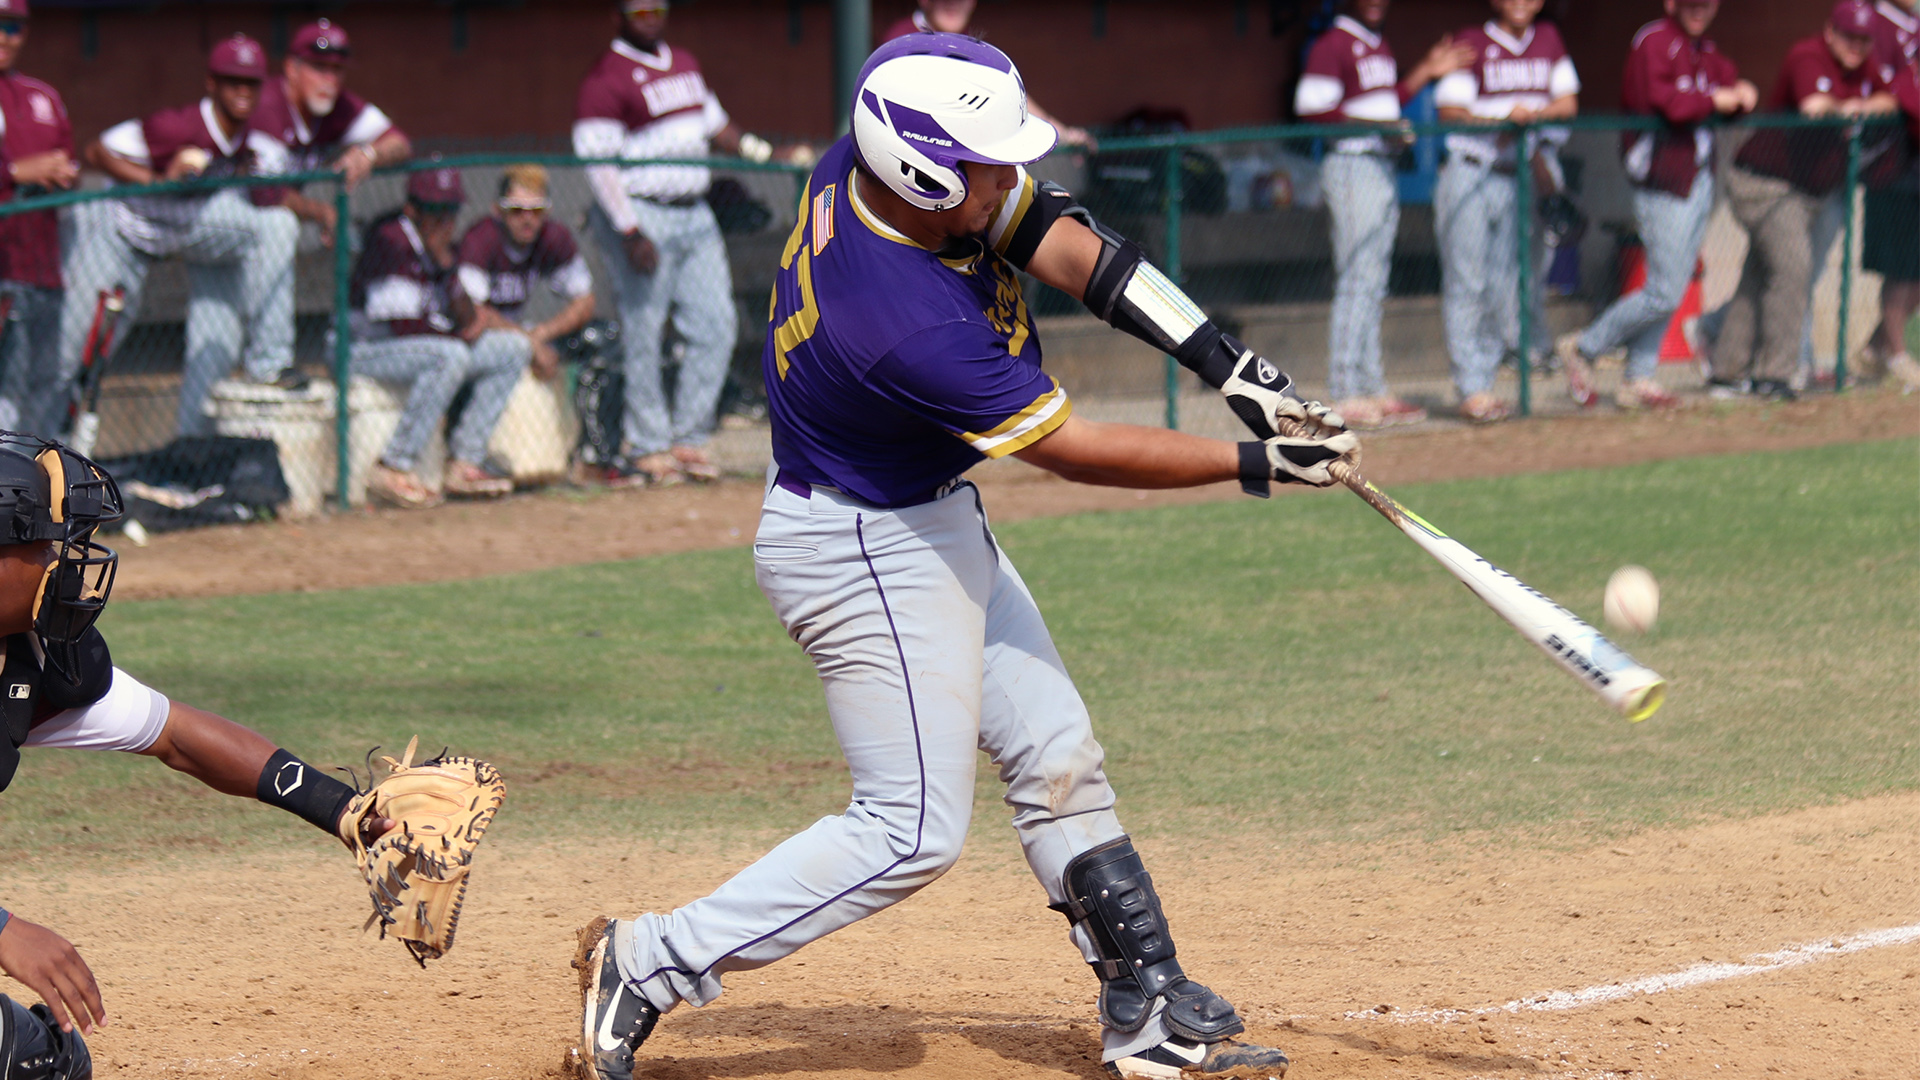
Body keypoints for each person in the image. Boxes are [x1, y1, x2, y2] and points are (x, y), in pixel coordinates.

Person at [572, 33, 1362, 1080]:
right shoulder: (901, 321)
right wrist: (1253, 461)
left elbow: (1078, 252)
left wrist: (1230, 365)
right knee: (910, 832)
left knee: (1057, 752)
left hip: (918, 510)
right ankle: (649, 960)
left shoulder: (876, 172)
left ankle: (1150, 1014)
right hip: (856, 544)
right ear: (926, 175)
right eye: (988, 166)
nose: (1009, 181)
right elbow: (1072, 450)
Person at [0, 431, 396, 1069]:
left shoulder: (33, 658)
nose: (62, 562)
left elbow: (177, 735)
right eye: (43, 545)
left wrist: (344, 811)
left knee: (38, 1061)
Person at [574, 0, 801, 487]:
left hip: (695, 212)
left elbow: (718, 128)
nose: (650, 17)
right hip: (643, 211)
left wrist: (764, 153)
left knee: (716, 324)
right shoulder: (605, 79)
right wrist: (628, 229)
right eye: (639, 11)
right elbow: (598, 164)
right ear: (618, 17)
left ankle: (688, 439)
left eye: (656, 8)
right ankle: (648, 445)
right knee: (644, 330)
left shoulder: (684, 63)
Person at [59, 33, 298, 441]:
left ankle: (195, 447)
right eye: (232, 81)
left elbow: (275, 194)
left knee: (222, 335)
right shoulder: (177, 126)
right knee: (74, 353)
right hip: (124, 230)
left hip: (189, 229)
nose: (243, 91)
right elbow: (96, 151)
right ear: (212, 83)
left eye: (251, 82)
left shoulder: (253, 139)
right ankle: (31, 454)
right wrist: (155, 180)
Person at [1554, 0, 1757, 410]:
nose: (1699, 10)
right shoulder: (1654, 40)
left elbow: (1728, 90)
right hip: (1662, 178)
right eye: (1691, 3)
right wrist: (1716, 99)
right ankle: (1585, 346)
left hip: (1698, 177)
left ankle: (1639, 377)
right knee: (1664, 291)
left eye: (1706, 3)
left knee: (1671, 287)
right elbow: (1670, 103)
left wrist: (1740, 93)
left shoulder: (1704, 49)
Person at [1710, 0, 1902, 401]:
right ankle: (1775, 375)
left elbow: (1890, 99)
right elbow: (1815, 107)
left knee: (1759, 275)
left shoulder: (1862, 67)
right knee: (1793, 269)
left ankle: (1727, 371)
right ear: (1830, 32)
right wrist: (1848, 108)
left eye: (1864, 40)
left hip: (1799, 190)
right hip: (1763, 183)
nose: (1856, 46)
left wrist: (1861, 106)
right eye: (1848, 37)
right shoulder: (1808, 55)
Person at [1294, 0, 1473, 428]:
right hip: (1351, 162)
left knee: (1374, 280)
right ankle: (1345, 389)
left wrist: (1424, 72)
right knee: (1357, 277)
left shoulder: (1377, 43)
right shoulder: (1333, 43)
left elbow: (1384, 106)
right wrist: (1379, 127)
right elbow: (1311, 108)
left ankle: (1371, 385)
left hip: (1379, 163)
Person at [1431, 0, 1579, 423]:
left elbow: (1568, 103)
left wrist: (1530, 117)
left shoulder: (1548, 38)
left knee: (1502, 285)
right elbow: (1450, 111)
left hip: (1519, 175)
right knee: (1468, 282)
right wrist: (1503, 119)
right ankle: (1471, 388)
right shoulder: (1472, 40)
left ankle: (1485, 383)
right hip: (1472, 170)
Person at [349, 166, 528, 507]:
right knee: (449, 355)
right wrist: (456, 333)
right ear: (412, 210)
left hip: (420, 347)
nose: (446, 221)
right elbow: (400, 325)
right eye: (436, 211)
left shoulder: (441, 247)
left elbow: (467, 319)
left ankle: (464, 462)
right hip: (364, 348)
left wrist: (446, 267)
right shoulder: (391, 239)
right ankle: (393, 466)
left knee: (512, 349)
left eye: (451, 211)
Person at [249, 18, 413, 246]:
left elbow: (400, 142)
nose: (330, 80)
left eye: (337, 69)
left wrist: (369, 154)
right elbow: (265, 193)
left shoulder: (337, 105)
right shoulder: (266, 106)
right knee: (280, 224)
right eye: (319, 67)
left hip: (267, 225)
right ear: (291, 68)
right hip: (221, 210)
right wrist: (324, 213)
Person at [0, 0, 77, 435]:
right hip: (3, 268)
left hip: (44, 267)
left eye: (12, 26)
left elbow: (68, 159)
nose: (3, 36)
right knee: (6, 389)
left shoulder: (42, 96)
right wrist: (15, 172)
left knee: (45, 382)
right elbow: (20, 170)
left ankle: (31, 474)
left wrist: (60, 174)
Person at [879, 0, 1097, 149]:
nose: (953, 3)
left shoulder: (966, 41)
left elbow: (1004, 91)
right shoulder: (902, 40)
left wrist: (1060, 134)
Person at [455, 164, 597, 390]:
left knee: (598, 336)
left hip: (520, 331)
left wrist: (542, 333)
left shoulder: (553, 237)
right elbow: (474, 313)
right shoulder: (481, 239)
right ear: (497, 210)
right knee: (514, 349)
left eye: (536, 211)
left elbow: (585, 301)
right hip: (481, 337)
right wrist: (530, 343)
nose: (528, 219)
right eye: (517, 210)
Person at [1862, 0, 1920, 389]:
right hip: (1894, 172)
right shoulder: (1875, 23)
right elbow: (1901, 99)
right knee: (1901, 269)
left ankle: (1874, 349)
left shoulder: (1912, 23)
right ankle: (1896, 354)